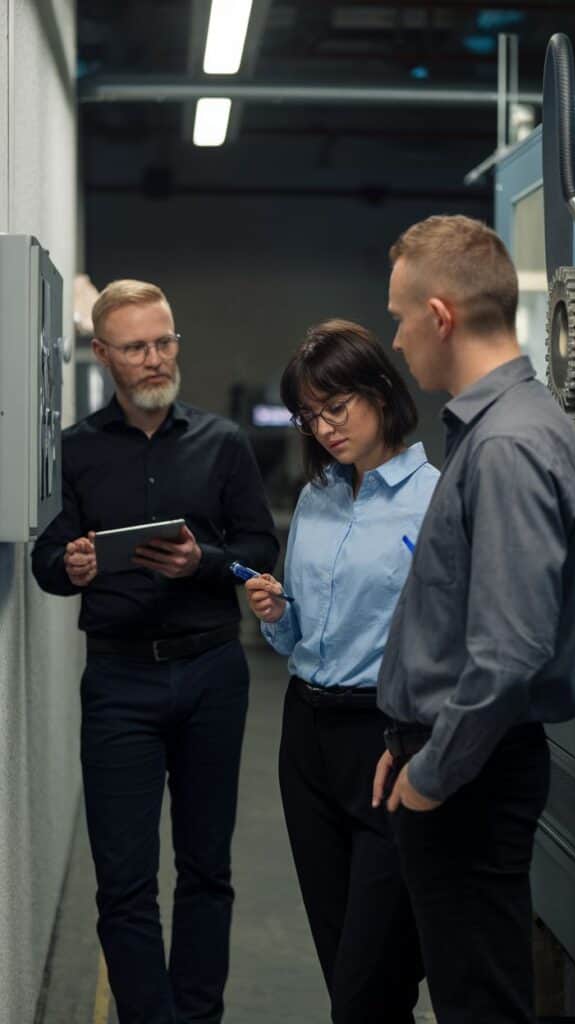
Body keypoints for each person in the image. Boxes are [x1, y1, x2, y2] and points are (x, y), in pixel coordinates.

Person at [32, 279, 278, 1024]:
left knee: (207, 869)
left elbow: (258, 547)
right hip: (118, 681)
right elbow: (47, 560)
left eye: (163, 341)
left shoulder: (222, 444)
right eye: (135, 347)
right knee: (125, 881)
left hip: (210, 671)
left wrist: (202, 562)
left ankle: (197, 1016)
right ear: (102, 354)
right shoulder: (74, 452)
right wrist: (69, 568)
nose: (153, 358)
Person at [372, 215, 575, 1024]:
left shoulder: (505, 446)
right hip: (453, 759)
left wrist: (433, 771)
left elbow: (507, 652)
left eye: (398, 316)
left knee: (479, 1002)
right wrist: (412, 744)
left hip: (471, 775)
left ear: (439, 317)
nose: (395, 339)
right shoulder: (504, 429)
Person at [244, 319, 438, 1024]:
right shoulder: (319, 499)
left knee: (371, 975)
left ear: (380, 392)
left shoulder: (435, 501)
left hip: (386, 742)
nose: (323, 428)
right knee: (342, 965)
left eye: (336, 407)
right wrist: (274, 611)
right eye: (309, 415)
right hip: (306, 740)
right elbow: (299, 632)